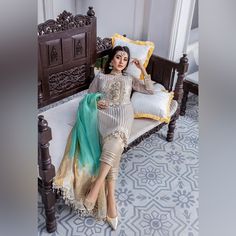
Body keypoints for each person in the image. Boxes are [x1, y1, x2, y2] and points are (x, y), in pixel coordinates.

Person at [53, 45, 154, 231]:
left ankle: (95, 189)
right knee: (112, 150)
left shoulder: (130, 79)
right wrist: (95, 101)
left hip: (123, 114)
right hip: (104, 115)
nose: (121, 62)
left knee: (116, 140)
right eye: (118, 57)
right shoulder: (100, 77)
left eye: (125, 59)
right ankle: (111, 202)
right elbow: (87, 97)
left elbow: (150, 90)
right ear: (111, 60)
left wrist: (142, 69)